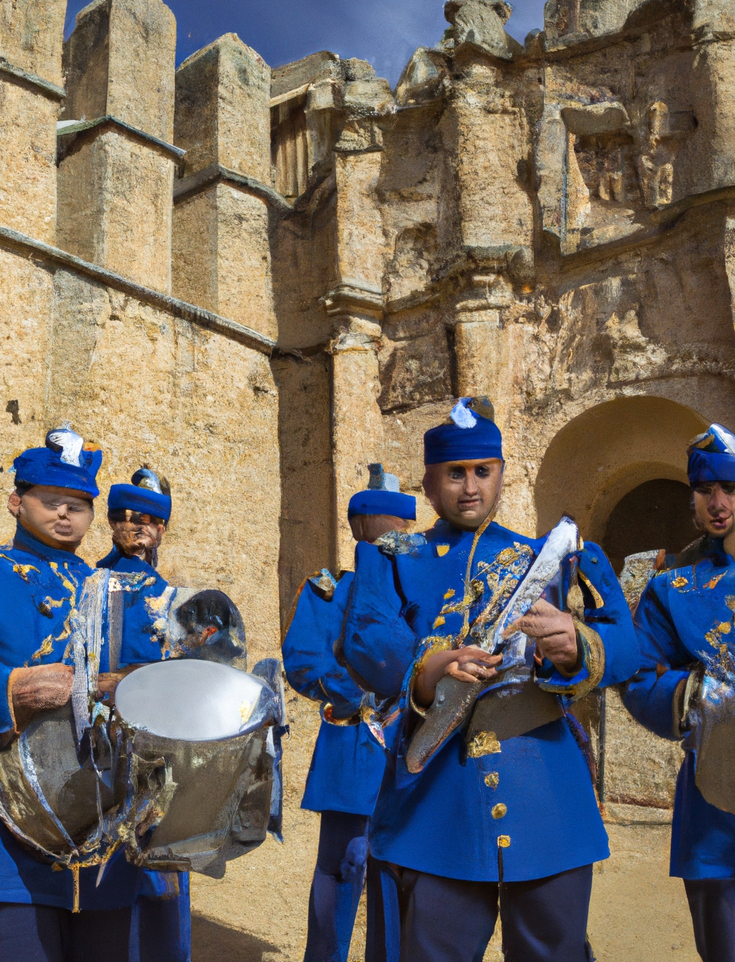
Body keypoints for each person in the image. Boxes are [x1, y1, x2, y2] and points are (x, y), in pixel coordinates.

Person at [341, 397, 638, 962]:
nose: (470, 487)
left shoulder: (548, 560)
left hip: (545, 796)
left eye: (483, 471)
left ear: (503, 473)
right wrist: (426, 669)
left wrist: (580, 646)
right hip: (436, 803)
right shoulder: (395, 558)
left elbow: (626, 645)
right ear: (429, 485)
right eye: (455, 474)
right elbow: (367, 638)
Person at [0, 428, 162, 962]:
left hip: (106, 828)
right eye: (51, 501)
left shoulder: (117, 592)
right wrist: (13, 688)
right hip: (3, 824)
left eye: (79, 505)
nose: (66, 514)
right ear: (15, 501)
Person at [282, 465, 416, 962]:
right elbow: (303, 661)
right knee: (340, 868)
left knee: (402, 872)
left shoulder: (426, 593)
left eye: (396, 525)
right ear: (357, 529)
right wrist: (360, 697)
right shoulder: (329, 591)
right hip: (355, 743)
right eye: (373, 523)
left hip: (417, 744)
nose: (385, 533)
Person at [623, 423, 735, 962]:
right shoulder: (674, 586)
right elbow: (640, 675)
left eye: (732, 488)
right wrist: (705, 697)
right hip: (716, 795)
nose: (719, 503)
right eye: (706, 490)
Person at [96, 469, 193, 962]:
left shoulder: (173, 596)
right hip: (105, 746)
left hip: (159, 750)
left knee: (161, 871)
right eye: (126, 519)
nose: (137, 530)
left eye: (149, 520)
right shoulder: (94, 583)